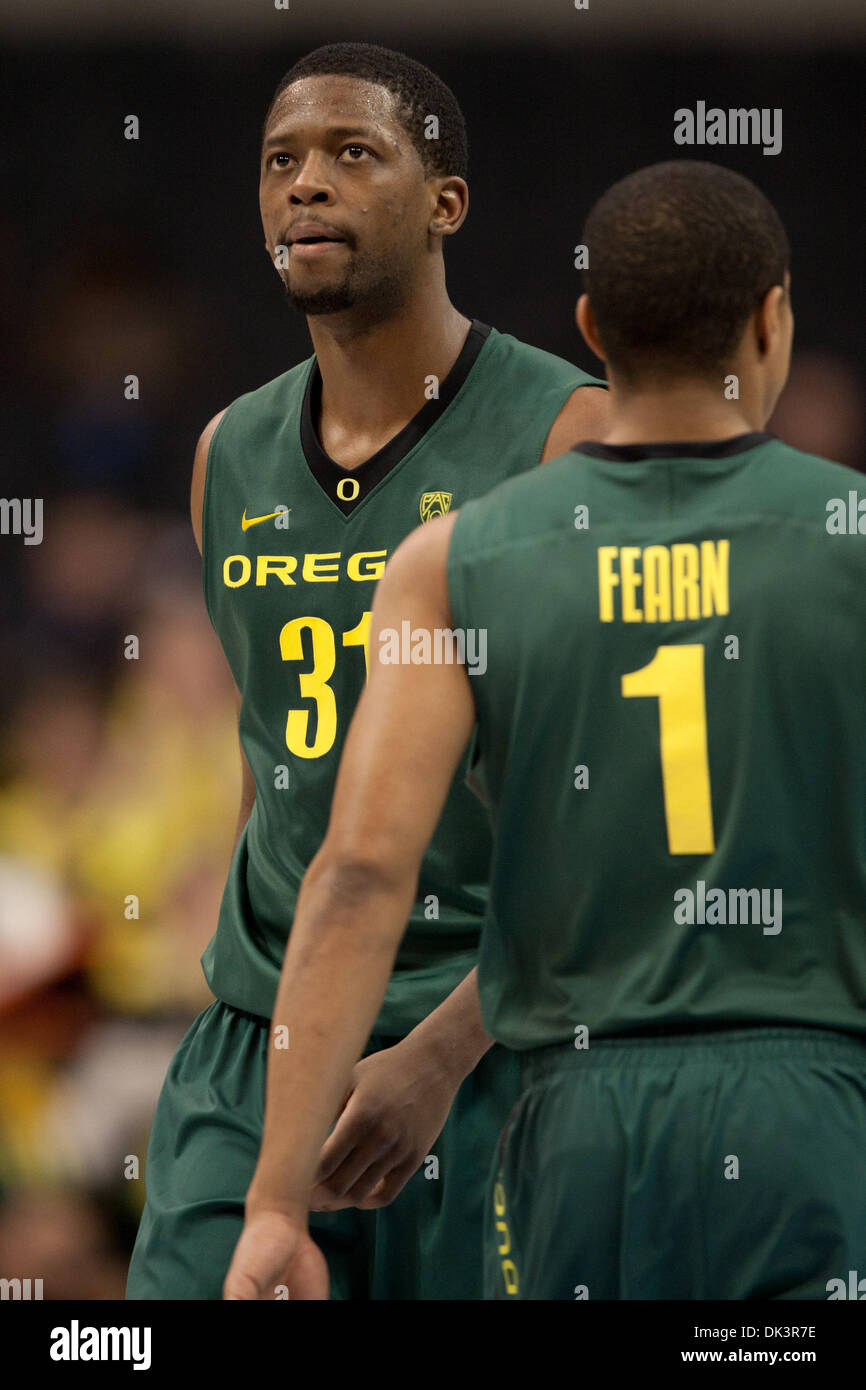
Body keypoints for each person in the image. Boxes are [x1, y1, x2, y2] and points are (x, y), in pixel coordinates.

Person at [223, 160, 866, 1301]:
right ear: (770, 319)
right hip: (808, 1103)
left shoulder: (453, 563)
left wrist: (275, 1200)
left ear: (589, 329)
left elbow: (364, 870)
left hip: (572, 1114)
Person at [125, 41, 608, 1300]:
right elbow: (265, 743)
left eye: (352, 154)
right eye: (281, 160)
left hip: (486, 1044)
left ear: (445, 202)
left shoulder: (572, 439)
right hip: (258, 1044)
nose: (305, 187)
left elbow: (612, 820)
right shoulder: (227, 449)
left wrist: (444, 1051)